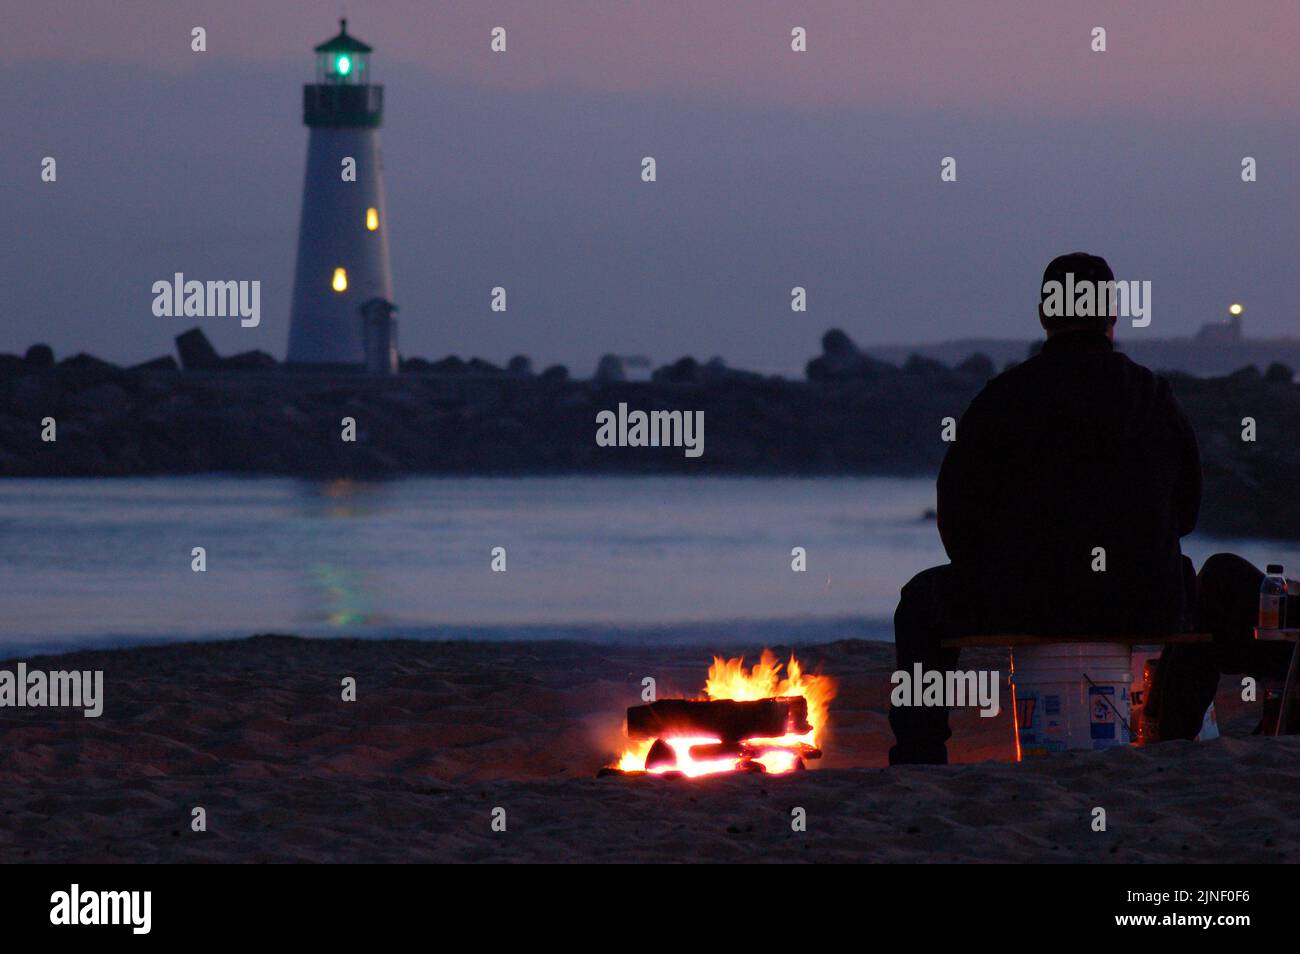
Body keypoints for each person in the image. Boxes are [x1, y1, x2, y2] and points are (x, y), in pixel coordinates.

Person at [888, 252, 1292, 764]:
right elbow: (1186, 513)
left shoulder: (1002, 398)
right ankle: (1174, 737)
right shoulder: (1153, 396)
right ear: (1112, 316)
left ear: (1043, 314)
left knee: (922, 601)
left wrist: (994, 567)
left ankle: (920, 757)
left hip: (1022, 598)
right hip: (1142, 595)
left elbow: (957, 518)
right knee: (1214, 582)